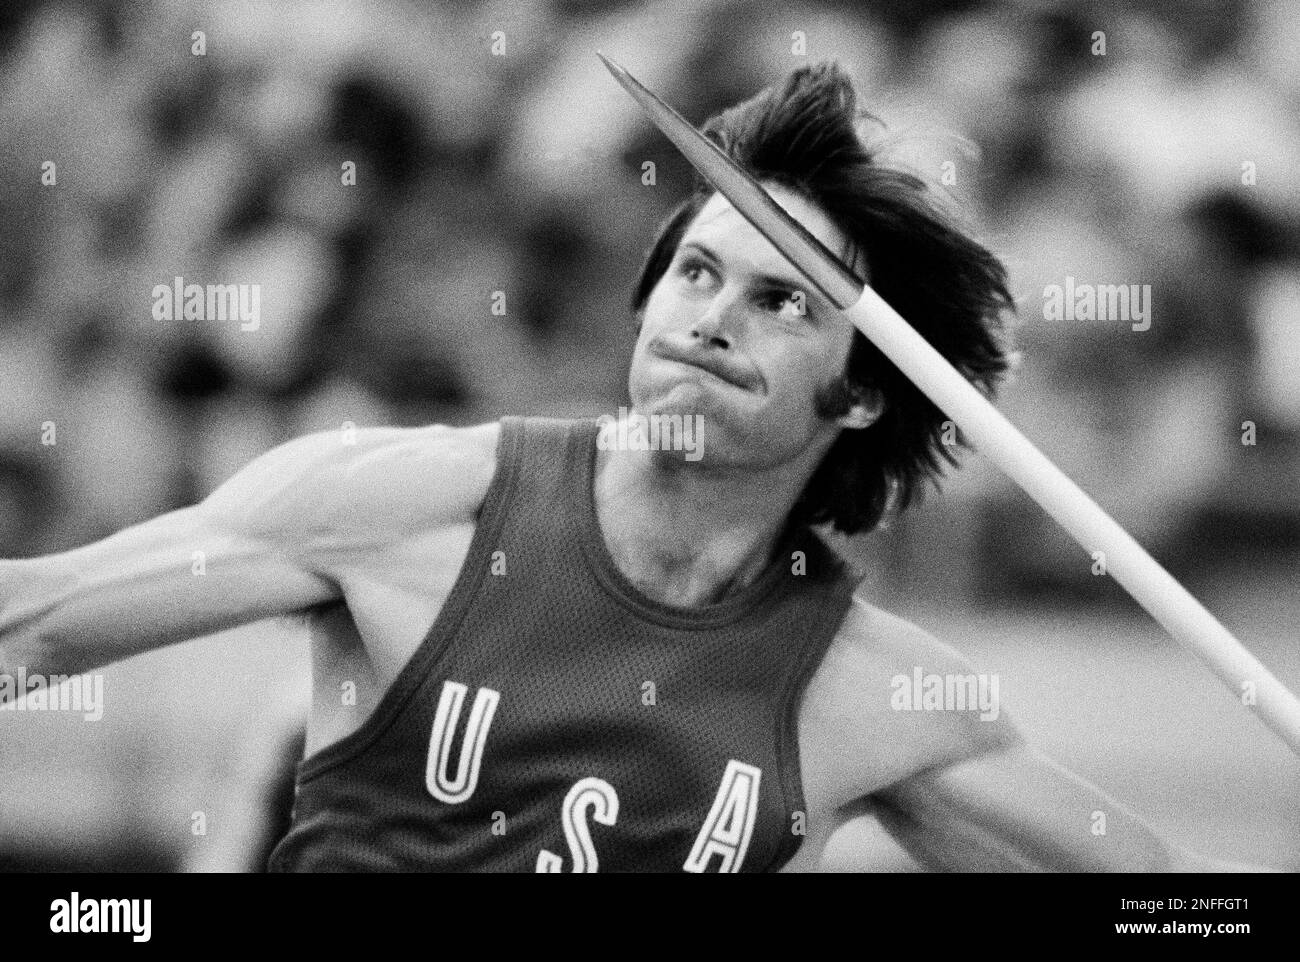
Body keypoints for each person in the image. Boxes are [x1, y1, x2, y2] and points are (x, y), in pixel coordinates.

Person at [0, 63, 1259, 872]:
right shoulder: (401, 503)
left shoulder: (871, 695)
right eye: (696, 274)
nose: (711, 317)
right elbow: (34, 625)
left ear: (863, 388)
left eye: (780, 301)